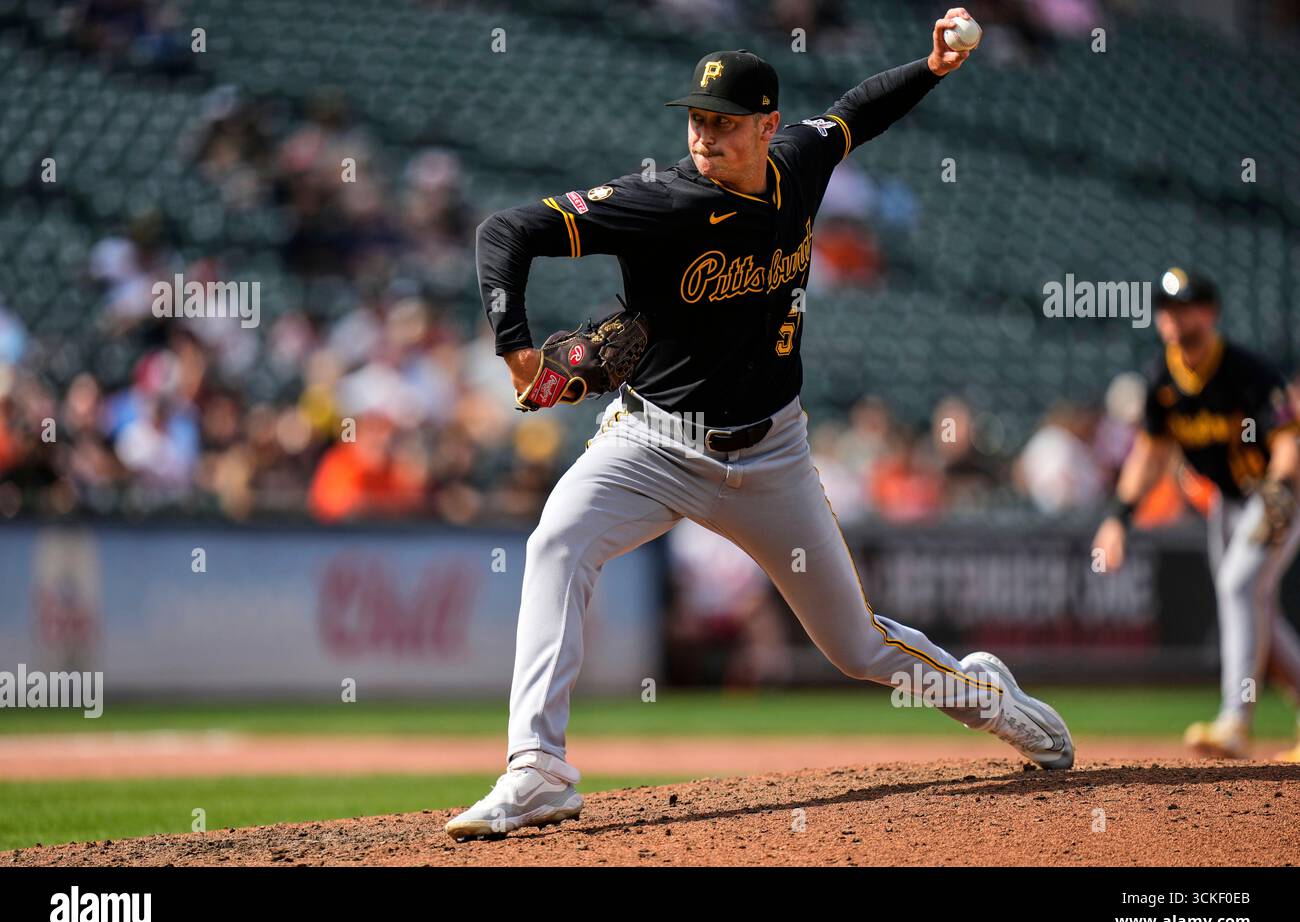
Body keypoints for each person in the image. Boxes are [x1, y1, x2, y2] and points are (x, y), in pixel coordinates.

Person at [447, 9, 1074, 842]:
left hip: (772, 453)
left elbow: (857, 111)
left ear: (767, 126)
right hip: (654, 442)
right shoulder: (660, 203)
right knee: (555, 542)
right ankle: (537, 771)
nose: (705, 134)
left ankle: (986, 700)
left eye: (725, 122)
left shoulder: (800, 163)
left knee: (857, 648)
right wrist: (516, 349)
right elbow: (507, 231)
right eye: (698, 119)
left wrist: (931, 68)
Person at [1092, 268, 1300, 761]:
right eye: (1166, 308)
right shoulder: (1162, 380)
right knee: (1256, 611)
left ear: (1209, 313)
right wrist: (1118, 517)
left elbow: (1289, 441)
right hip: (1227, 505)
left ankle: (1234, 722)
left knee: (1238, 589)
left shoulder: (1248, 372)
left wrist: (1282, 492)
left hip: (1277, 498)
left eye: (1184, 306)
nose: (1172, 316)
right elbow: (1150, 455)